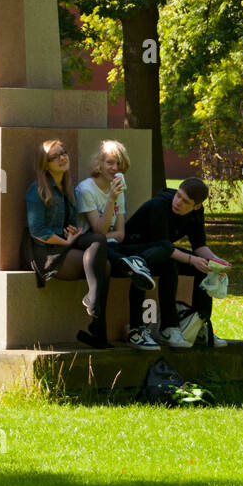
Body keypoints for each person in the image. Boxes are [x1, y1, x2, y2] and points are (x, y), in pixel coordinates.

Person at [75, 141, 173, 352]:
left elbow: (120, 234)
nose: (115, 169)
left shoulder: (119, 186)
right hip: (93, 250)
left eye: (118, 164)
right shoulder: (86, 189)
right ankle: (134, 264)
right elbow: (99, 233)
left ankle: (136, 263)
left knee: (165, 247)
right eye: (110, 163)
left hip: (116, 248)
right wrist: (111, 198)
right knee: (111, 249)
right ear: (99, 164)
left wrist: (115, 197)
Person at [23, 140, 113, 348]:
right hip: (46, 251)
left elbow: (69, 223)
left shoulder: (68, 188)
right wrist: (65, 241)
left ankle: (93, 301)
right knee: (105, 266)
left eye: (64, 153)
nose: (63, 158)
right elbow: (37, 231)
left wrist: (72, 232)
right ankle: (98, 330)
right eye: (55, 156)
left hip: (65, 243)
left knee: (98, 239)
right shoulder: (37, 189)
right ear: (45, 164)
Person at [124, 178, 232, 348]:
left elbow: (199, 245)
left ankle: (200, 324)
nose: (178, 202)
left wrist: (216, 262)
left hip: (161, 250)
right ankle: (169, 327)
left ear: (196, 206)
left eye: (185, 201)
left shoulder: (197, 212)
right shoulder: (159, 205)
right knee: (170, 264)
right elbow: (164, 247)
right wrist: (192, 260)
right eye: (178, 195)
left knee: (205, 267)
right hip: (133, 250)